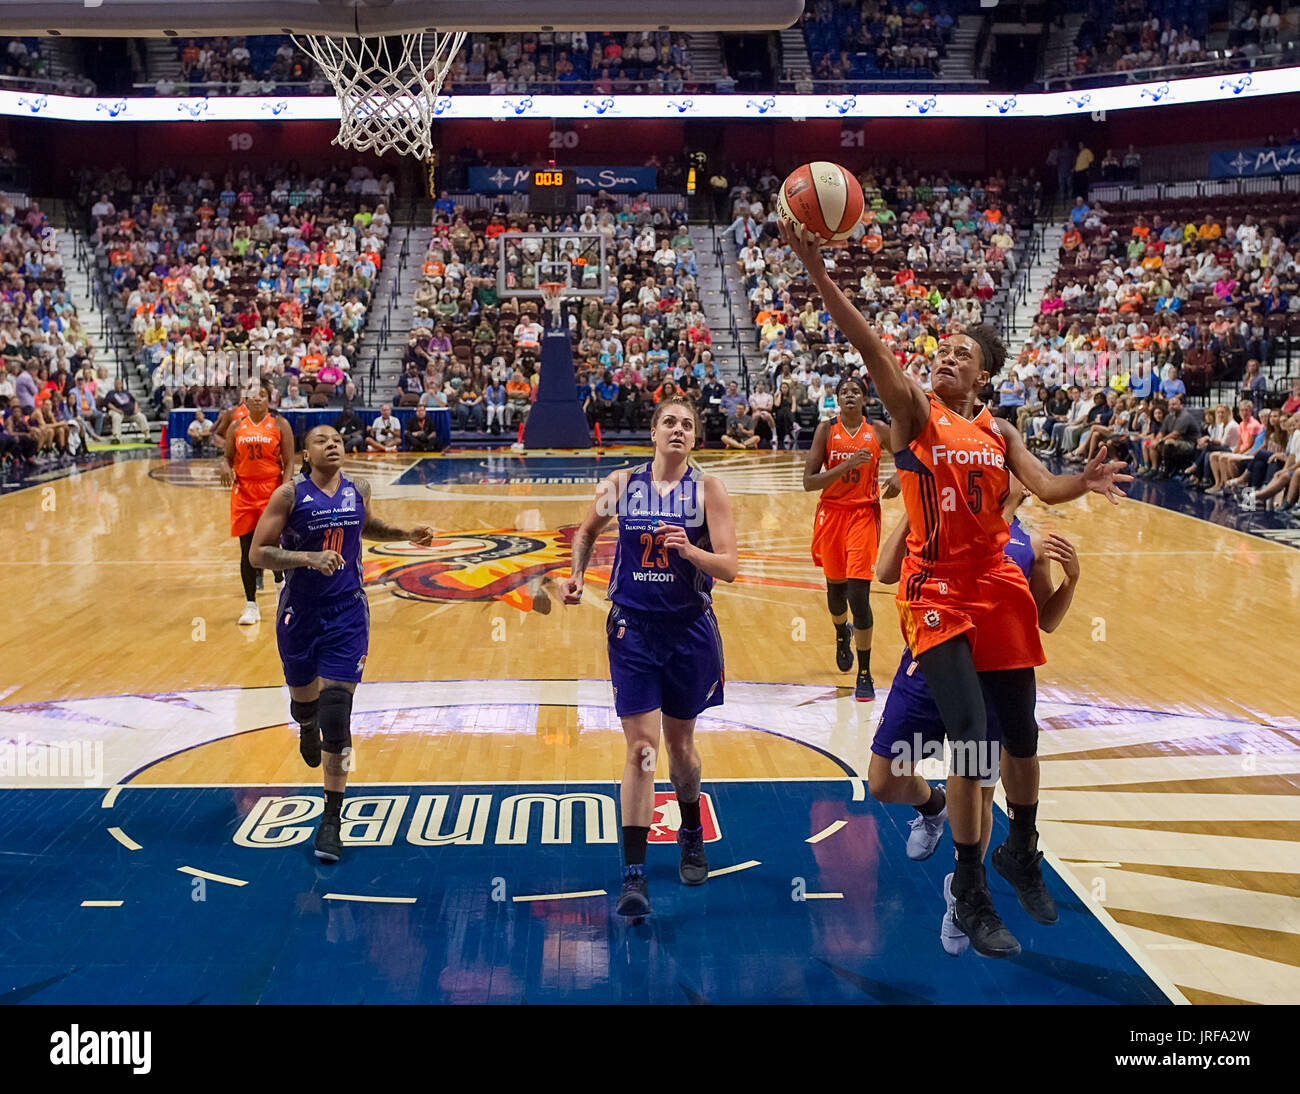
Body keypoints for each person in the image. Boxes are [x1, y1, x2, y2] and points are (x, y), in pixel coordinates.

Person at [781, 220, 1129, 959]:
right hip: (935, 589)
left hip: (996, 583)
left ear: (983, 379)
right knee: (970, 738)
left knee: (1021, 736)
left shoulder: (1000, 434)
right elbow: (872, 347)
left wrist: (1085, 482)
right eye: (941, 351)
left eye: (960, 356)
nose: (944, 358)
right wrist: (817, 273)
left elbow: (1047, 487)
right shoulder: (915, 415)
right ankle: (968, 888)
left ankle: (1020, 851)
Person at [870, 476, 1080, 955]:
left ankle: (964, 893)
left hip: (989, 680)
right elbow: (884, 571)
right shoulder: (939, 523)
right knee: (883, 781)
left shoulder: (1032, 544)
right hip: (928, 667)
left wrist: (1073, 580)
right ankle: (933, 806)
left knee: (983, 795)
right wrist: (916, 501)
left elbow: (1043, 619)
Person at [561, 395, 738, 919]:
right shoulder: (619, 485)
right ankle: (634, 876)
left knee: (680, 749)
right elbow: (586, 533)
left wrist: (690, 551)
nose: (678, 430)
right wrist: (576, 574)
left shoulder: (709, 490)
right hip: (632, 631)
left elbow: (727, 566)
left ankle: (689, 829)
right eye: (669, 422)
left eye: (687, 423)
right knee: (641, 747)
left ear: (695, 437)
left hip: (688, 630)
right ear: (654, 433)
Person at [249, 426, 434, 862]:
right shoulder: (288, 496)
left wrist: (407, 533)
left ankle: (332, 818)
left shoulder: (359, 489)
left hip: (347, 611)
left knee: (337, 713)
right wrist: (305, 558)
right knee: (305, 705)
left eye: (337, 439)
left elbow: (370, 527)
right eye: (321, 440)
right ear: (306, 455)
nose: (332, 444)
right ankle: (305, 725)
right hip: (299, 612)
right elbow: (258, 553)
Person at [803, 376, 892, 701]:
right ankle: (842, 632)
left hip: (863, 516)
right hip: (831, 515)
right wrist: (846, 466)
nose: (850, 396)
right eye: (844, 392)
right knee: (836, 594)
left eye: (856, 391)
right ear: (837, 399)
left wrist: (898, 476)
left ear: (864, 399)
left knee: (859, 595)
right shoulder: (826, 431)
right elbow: (809, 482)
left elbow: (913, 453)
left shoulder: (879, 430)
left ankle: (864, 673)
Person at [226, 379, 295, 625]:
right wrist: (224, 467)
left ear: (269, 399)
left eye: (262, 395)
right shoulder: (236, 426)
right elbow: (226, 457)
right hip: (244, 492)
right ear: (245, 400)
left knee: (273, 545)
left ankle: (280, 587)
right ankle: (251, 605)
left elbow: (289, 461)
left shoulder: (280, 424)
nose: (257, 398)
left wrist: (286, 490)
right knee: (247, 550)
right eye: (252, 395)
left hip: (271, 490)